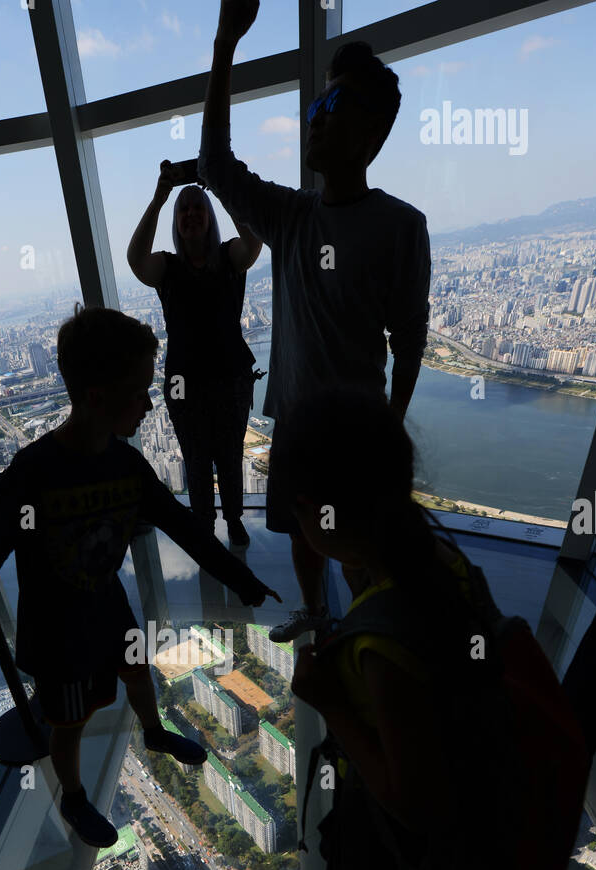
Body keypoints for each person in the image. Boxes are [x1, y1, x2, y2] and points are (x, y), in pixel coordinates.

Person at [0, 306, 281, 849]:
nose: (150, 404)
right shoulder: (34, 471)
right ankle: (73, 798)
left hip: (104, 602)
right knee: (67, 723)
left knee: (137, 671)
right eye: (140, 390)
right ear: (98, 396)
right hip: (56, 635)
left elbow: (184, 529)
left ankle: (153, 733)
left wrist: (240, 577)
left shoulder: (126, 465)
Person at [200, 0, 431, 642]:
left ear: (370, 136)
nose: (316, 119)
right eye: (316, 107)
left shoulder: (401, 227)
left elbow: (409, 337)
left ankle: (369, 638)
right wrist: (224, 45)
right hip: (297, 421)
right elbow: (216, 169)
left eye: (334, 107)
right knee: (306, 531)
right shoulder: (291, 216)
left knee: (360, 551)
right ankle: (317, 615)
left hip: (356, 434)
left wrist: (391, 424)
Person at [283, 388, 491, 870]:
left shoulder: (382, 643)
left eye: (296, 504)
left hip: (396, 841)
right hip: (468, 771)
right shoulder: (442, 561)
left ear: (322, 515)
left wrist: (329, 702)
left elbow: (411, 801)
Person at [127, 164, 263, 546]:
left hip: (230, 377)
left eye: (197, 207)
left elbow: (253, 243)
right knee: (196, 458)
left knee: (229, 456)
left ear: (209, 217)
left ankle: (232, 520)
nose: (190, 214)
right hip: (185, 383)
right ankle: (204, 523)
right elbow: (136, 259)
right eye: (183, 209)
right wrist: (158, 200)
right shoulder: (167, 267)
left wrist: (220, 189)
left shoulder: (228, 257)